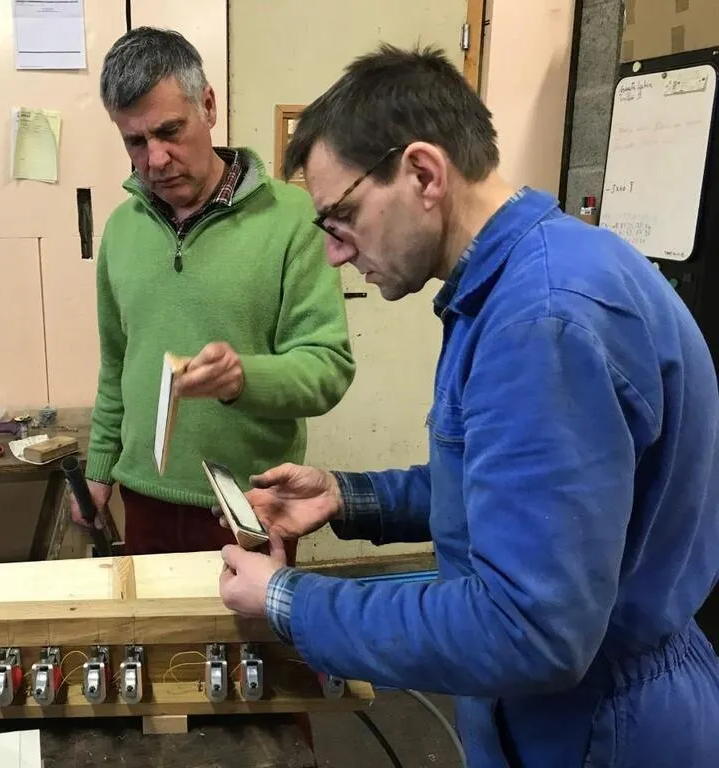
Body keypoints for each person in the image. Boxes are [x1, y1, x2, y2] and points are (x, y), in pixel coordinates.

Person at [217, 44, 719, 767]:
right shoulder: (530, 279)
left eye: (341, 216)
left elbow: (528, 630)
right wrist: (346, 498)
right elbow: (507, 496)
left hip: (597, 729)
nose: (333, 252)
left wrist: (293, 601)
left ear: (423, 172)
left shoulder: (540, 321)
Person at [73, 27, 355, 559]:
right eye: (136, 141)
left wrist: (243, 377)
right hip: (144, 497)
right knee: (155, 642)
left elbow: (327, 368)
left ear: (208, 106)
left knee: (250, 644)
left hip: (250, 502)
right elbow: (116, 366)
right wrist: (99, 471)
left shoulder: (291, 220)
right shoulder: (122, 231)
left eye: (169, 131)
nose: (155, 159)